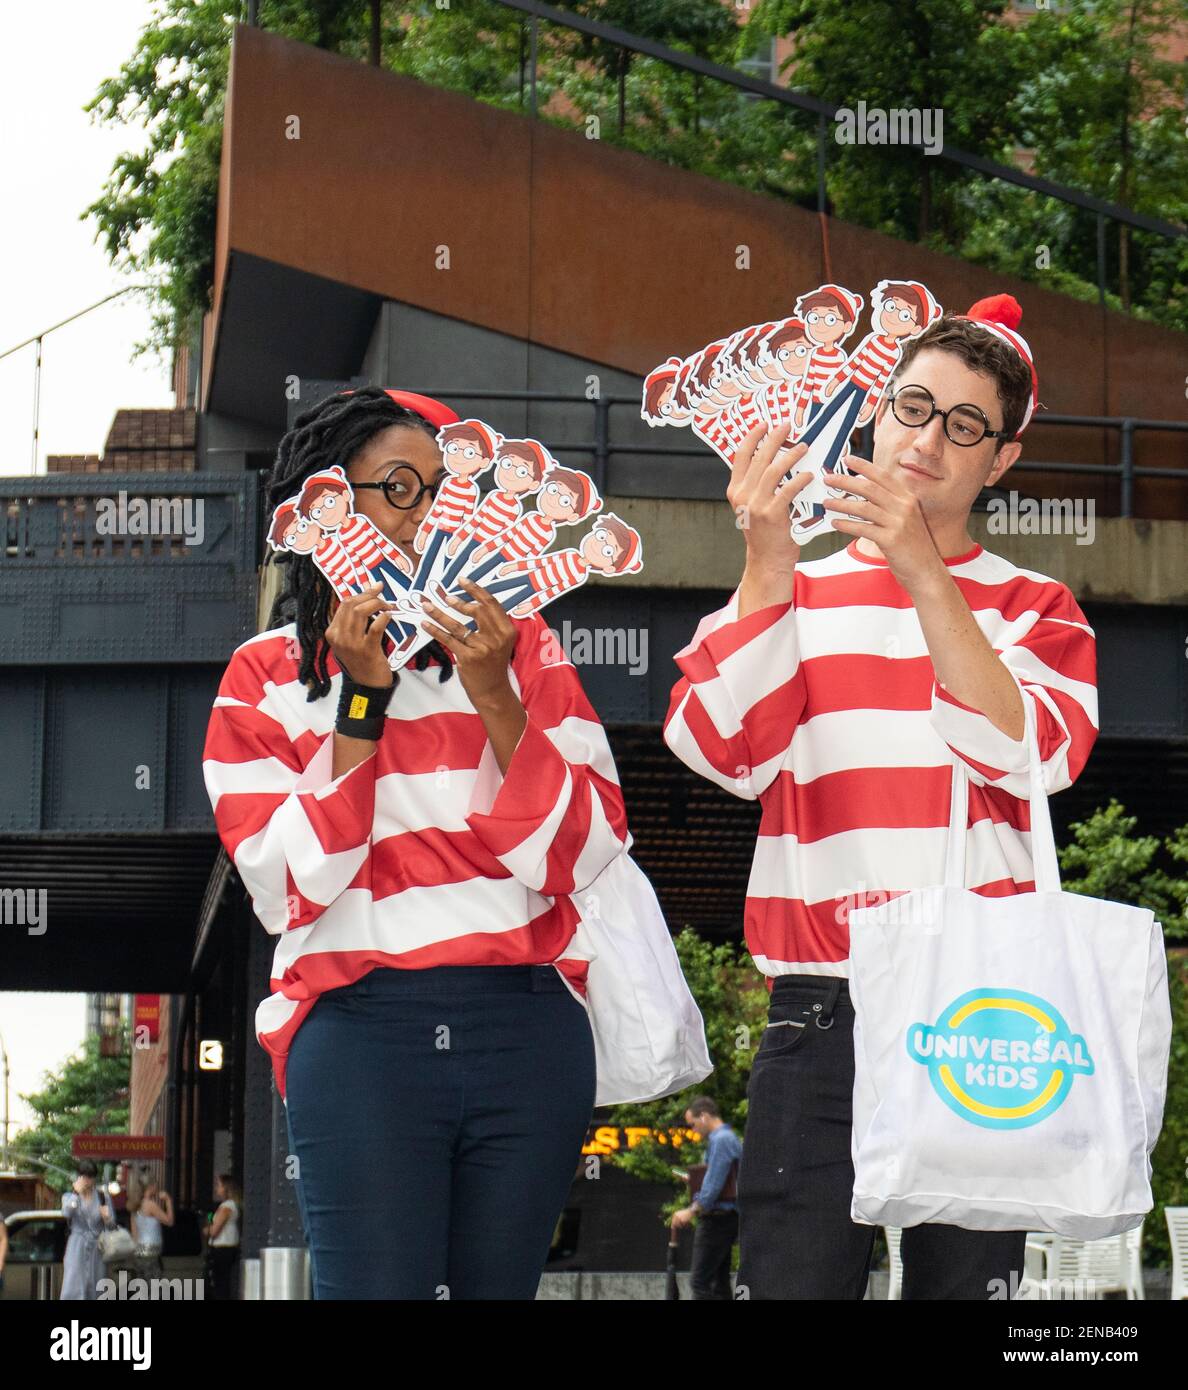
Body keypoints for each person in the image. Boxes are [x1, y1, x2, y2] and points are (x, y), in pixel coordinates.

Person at [663, 295, 1098, 1300]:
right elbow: (724, 749)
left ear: (1001, 461)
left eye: (966, 425)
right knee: (792, 1284)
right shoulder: (793, 590)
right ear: (874, 414)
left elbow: (1028, 754)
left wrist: (923, 573)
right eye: (913, 407)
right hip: (821, 1008)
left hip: (983, 1009)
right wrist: (768, 561)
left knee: (964, 1291)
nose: (929, 439)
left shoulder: (1039, 607)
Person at [202, 386, 632, 1300]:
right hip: (363, 1032)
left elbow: (583, 853)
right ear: (326, 505)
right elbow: (285, 891)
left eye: (447, 491)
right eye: (399, 488)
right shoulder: (264, 677)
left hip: (527, 1025)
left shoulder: (522, 653)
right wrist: (363, 701)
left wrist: (494, 691)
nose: (427, 516)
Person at [671, 1096, 743, 1301]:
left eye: (692, 1124)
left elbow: (714, 1182)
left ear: (703, 1116)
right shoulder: (726, 1138)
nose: (693, 1131)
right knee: (718, 1283)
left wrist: (693, 1209)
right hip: (726, 1216)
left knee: (700, 1282)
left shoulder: (721, 1140)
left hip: (717, 1218)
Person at [60, 1160, 116, 1300]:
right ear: (79, 1177)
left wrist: (107, 1218)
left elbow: (112, 1226)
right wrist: (75, 1193)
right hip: (76, 1246)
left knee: (96, 1285)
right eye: (84, 1176)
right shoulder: (70, 1196)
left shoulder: (103, 1197)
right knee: (73, 1285)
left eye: (90, 1177)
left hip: (97, 1247)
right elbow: (67, 1213)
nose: (87, 1180)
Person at [205, 1174, 241, 1300]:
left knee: (219, 1283)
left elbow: (214, 1230)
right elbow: (212, 1222)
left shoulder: (226, 1207)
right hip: (226, 1249)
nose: (216, 1188)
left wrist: (207, 1230)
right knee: (222, 1281)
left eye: (219, 1185)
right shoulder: (228, 1206)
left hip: (222, 1248)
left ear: (226, 1188)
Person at [130, 1178, 173, 1279]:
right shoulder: (150, 1205)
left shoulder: (135, 1205)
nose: (157, 1188)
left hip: (139, 1250)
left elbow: (134, 1233)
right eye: (156, 1185)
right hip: (151, 1250)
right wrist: (168, 1200)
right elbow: (169, 1221)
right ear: (151, 1187)